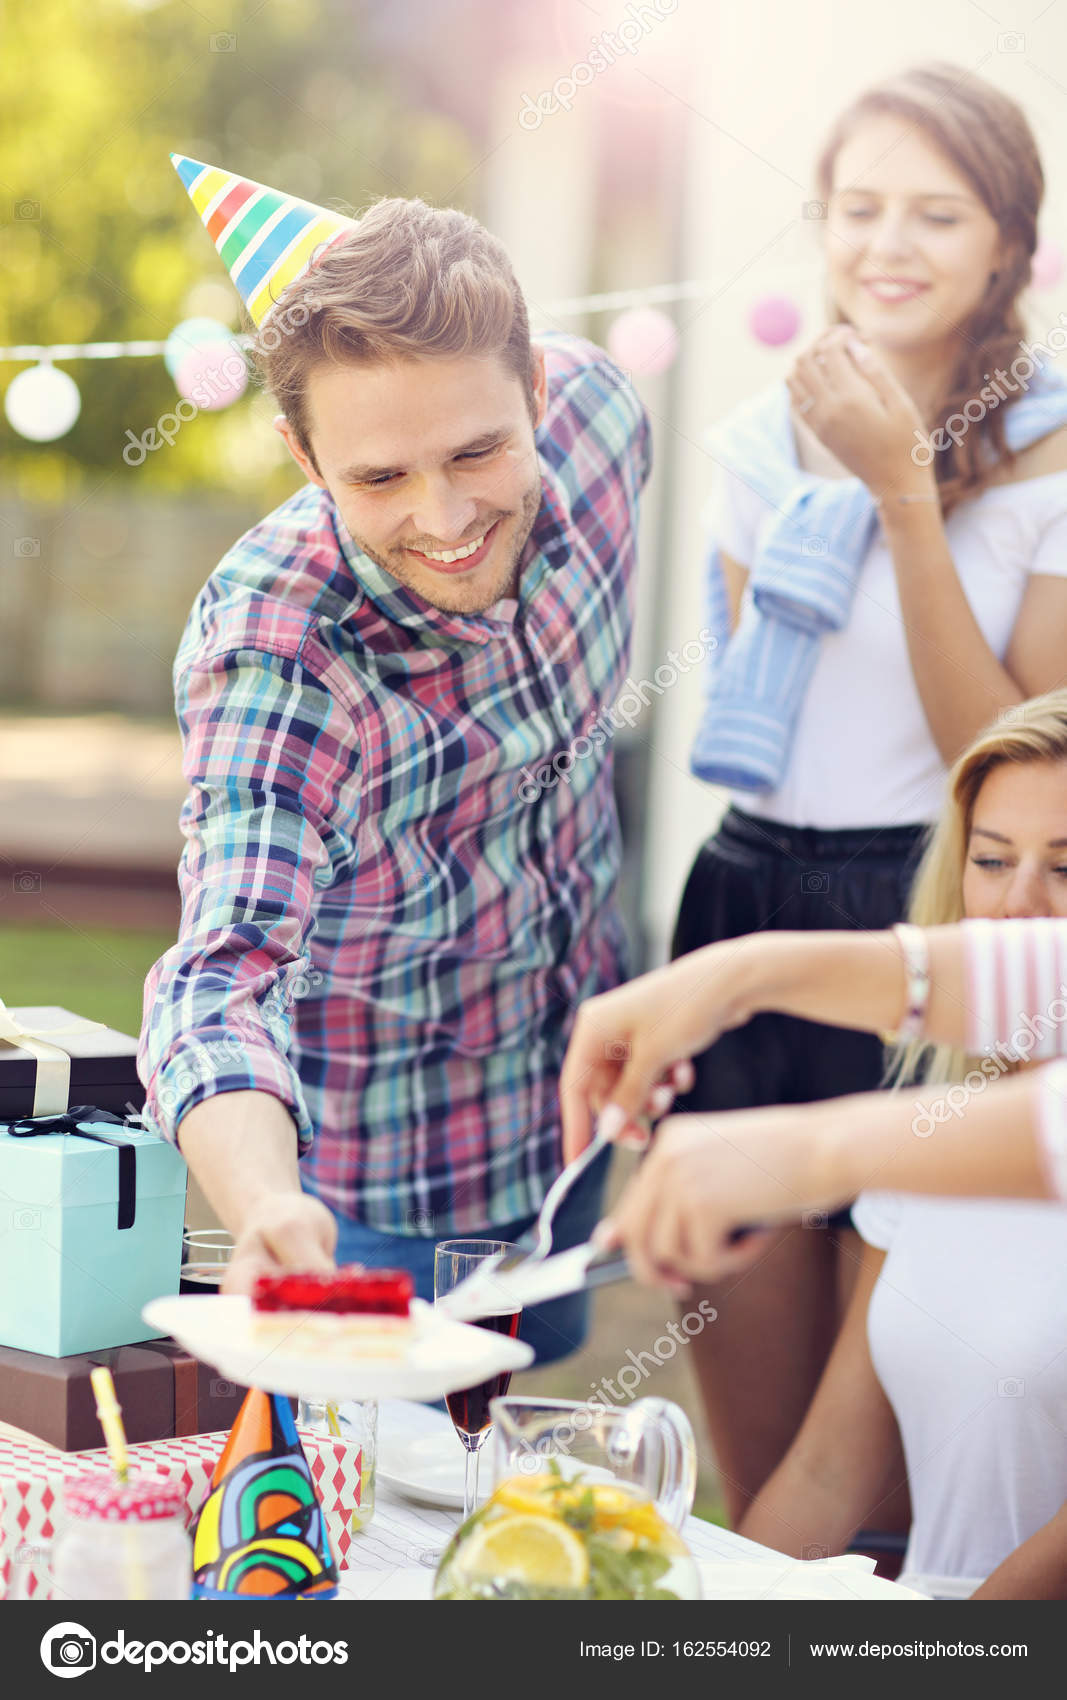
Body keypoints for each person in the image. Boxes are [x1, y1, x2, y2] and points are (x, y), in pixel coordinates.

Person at [137, 157, 653, 1363]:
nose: (443, 517)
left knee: (517, 1428)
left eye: (476, 451)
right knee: (383, 1510)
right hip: (366, 1197)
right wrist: (267, 1204)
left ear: (535, 386)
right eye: (377, 476)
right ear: (304, 459)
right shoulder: (278, 651)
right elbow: (218, 977)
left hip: (569, 1121)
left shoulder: (605, 416)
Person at [667, 61, 1067, 1521]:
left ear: (1004, 249)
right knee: (766, 1470)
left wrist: (903, 491)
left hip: (920, 923)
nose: (885, 245)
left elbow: (1006, 758)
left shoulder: (1047, 453)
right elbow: (751, 716)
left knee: (887, 1470)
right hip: (745, 900)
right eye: (856, 209)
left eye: (934, 215)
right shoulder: (751, 446)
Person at [576, 698, 1067, 1596]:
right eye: (991, 860)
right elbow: (828, 1473)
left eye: (1066, 869)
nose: (1020, 906)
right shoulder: (929, 1133)